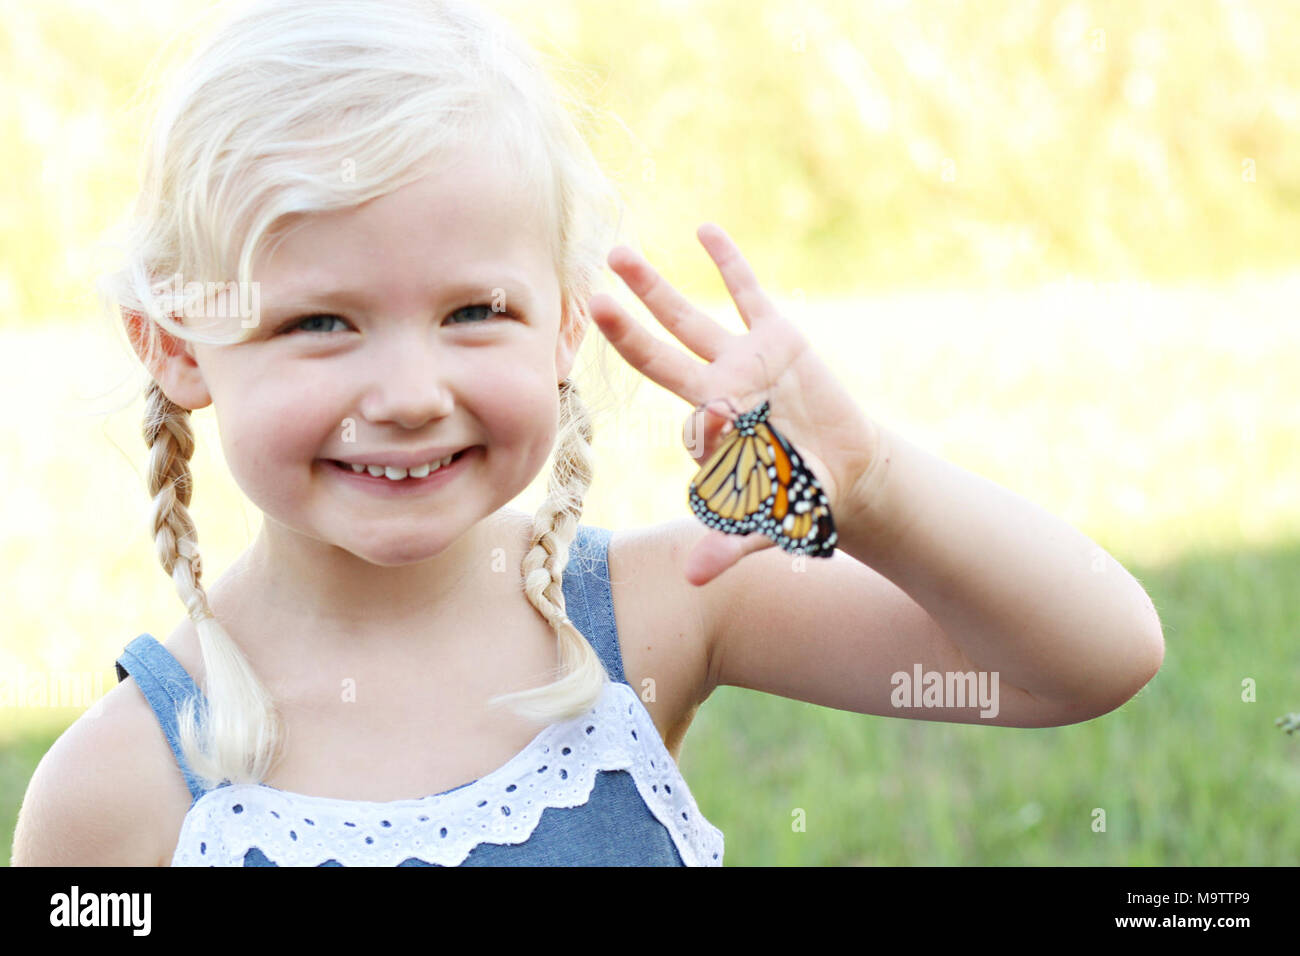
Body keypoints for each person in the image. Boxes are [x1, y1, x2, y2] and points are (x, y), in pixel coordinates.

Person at [12, 0, 1164, 867]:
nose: (412, 390)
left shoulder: (650, 615)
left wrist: (868, 483)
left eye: (476, 312)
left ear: (566, 323)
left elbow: (1086, 658)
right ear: (174, 341)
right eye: (321, 321)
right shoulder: (123, 788)